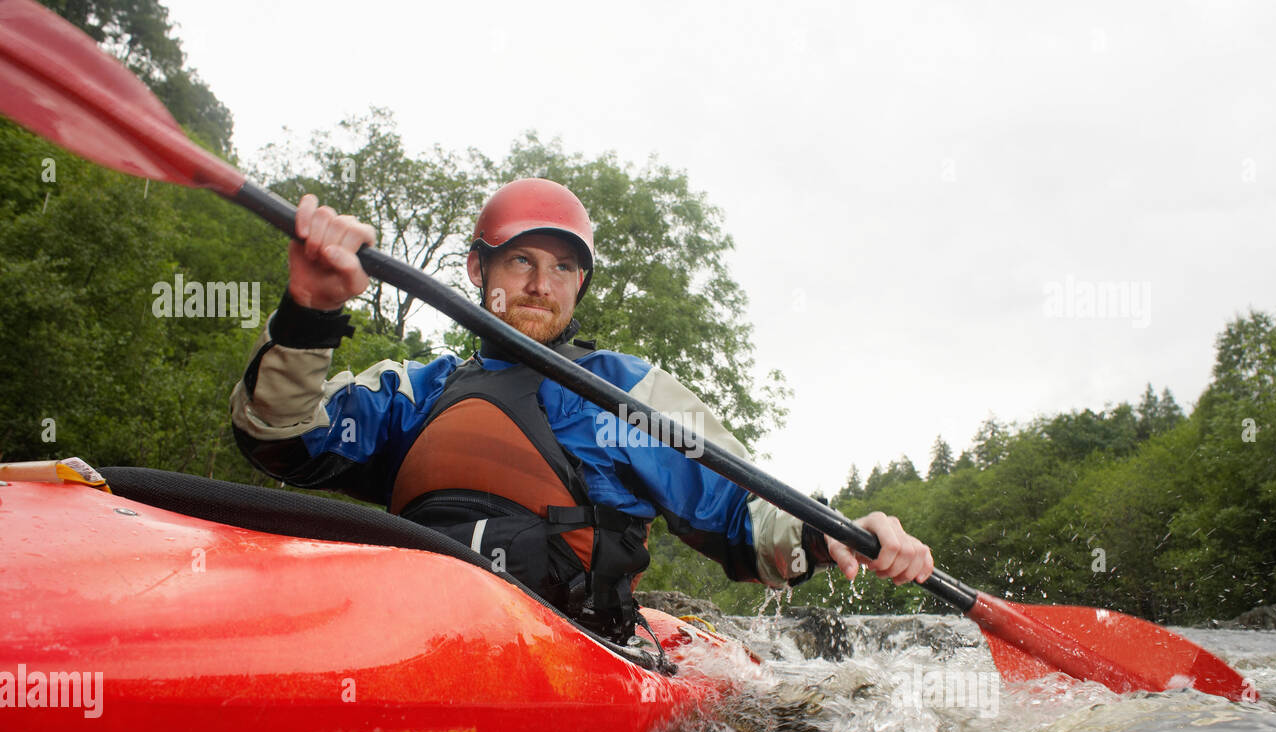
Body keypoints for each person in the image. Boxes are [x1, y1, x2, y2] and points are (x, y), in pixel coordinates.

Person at [230, 178, 933, 641]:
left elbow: (740, 514)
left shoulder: (623, 394)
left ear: (581, 282)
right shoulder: (419, 391)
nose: (541, 285)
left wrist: (830, 531)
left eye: (563, 267)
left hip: (577, 649)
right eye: (521, 261)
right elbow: (280, 437)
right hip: (414, 635)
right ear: (478, 270)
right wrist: (311, 311)